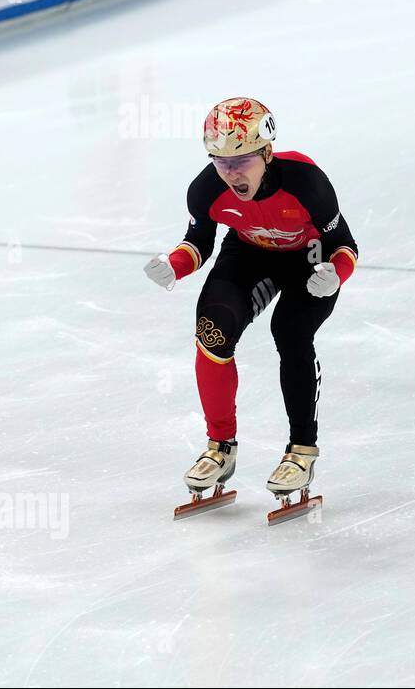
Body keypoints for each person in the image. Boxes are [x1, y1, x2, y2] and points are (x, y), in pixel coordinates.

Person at [144, 97, 358, 521]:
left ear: (266, 152)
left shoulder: (306, 182)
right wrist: (175, 264)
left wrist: (335, 273)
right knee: (212, 329)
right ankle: (220, 447)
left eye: (240, 160)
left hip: (310, 257)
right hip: (250, 253)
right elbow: (199, 243)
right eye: (220, 161)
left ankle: (301, 449)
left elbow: (345, 245)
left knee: (291, 331)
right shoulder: (206, 188)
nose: (230, 173)